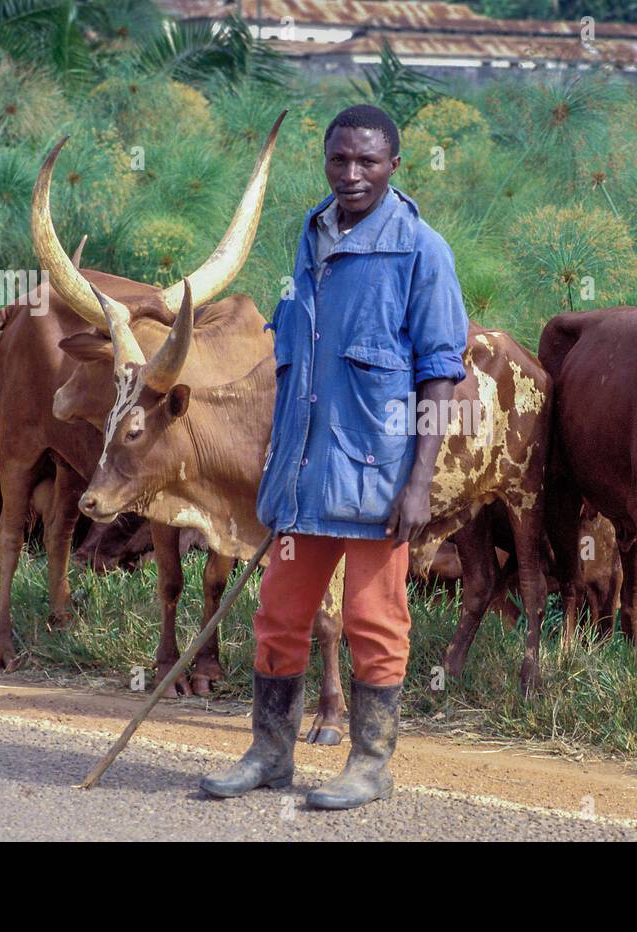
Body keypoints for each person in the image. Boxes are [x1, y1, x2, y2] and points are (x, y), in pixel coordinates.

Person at [201, 104, 469, 810]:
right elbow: (297, 357)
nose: (351, 174)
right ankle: (269, 753)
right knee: (280, 615)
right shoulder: (312, 233)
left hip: (379, 482)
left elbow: (440, 372)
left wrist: (420, 483)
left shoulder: (422, 250)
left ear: (394, 166)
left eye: (367, 162)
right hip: (303, 477)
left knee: (374, 622)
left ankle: (370, 765)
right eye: (339, 159)